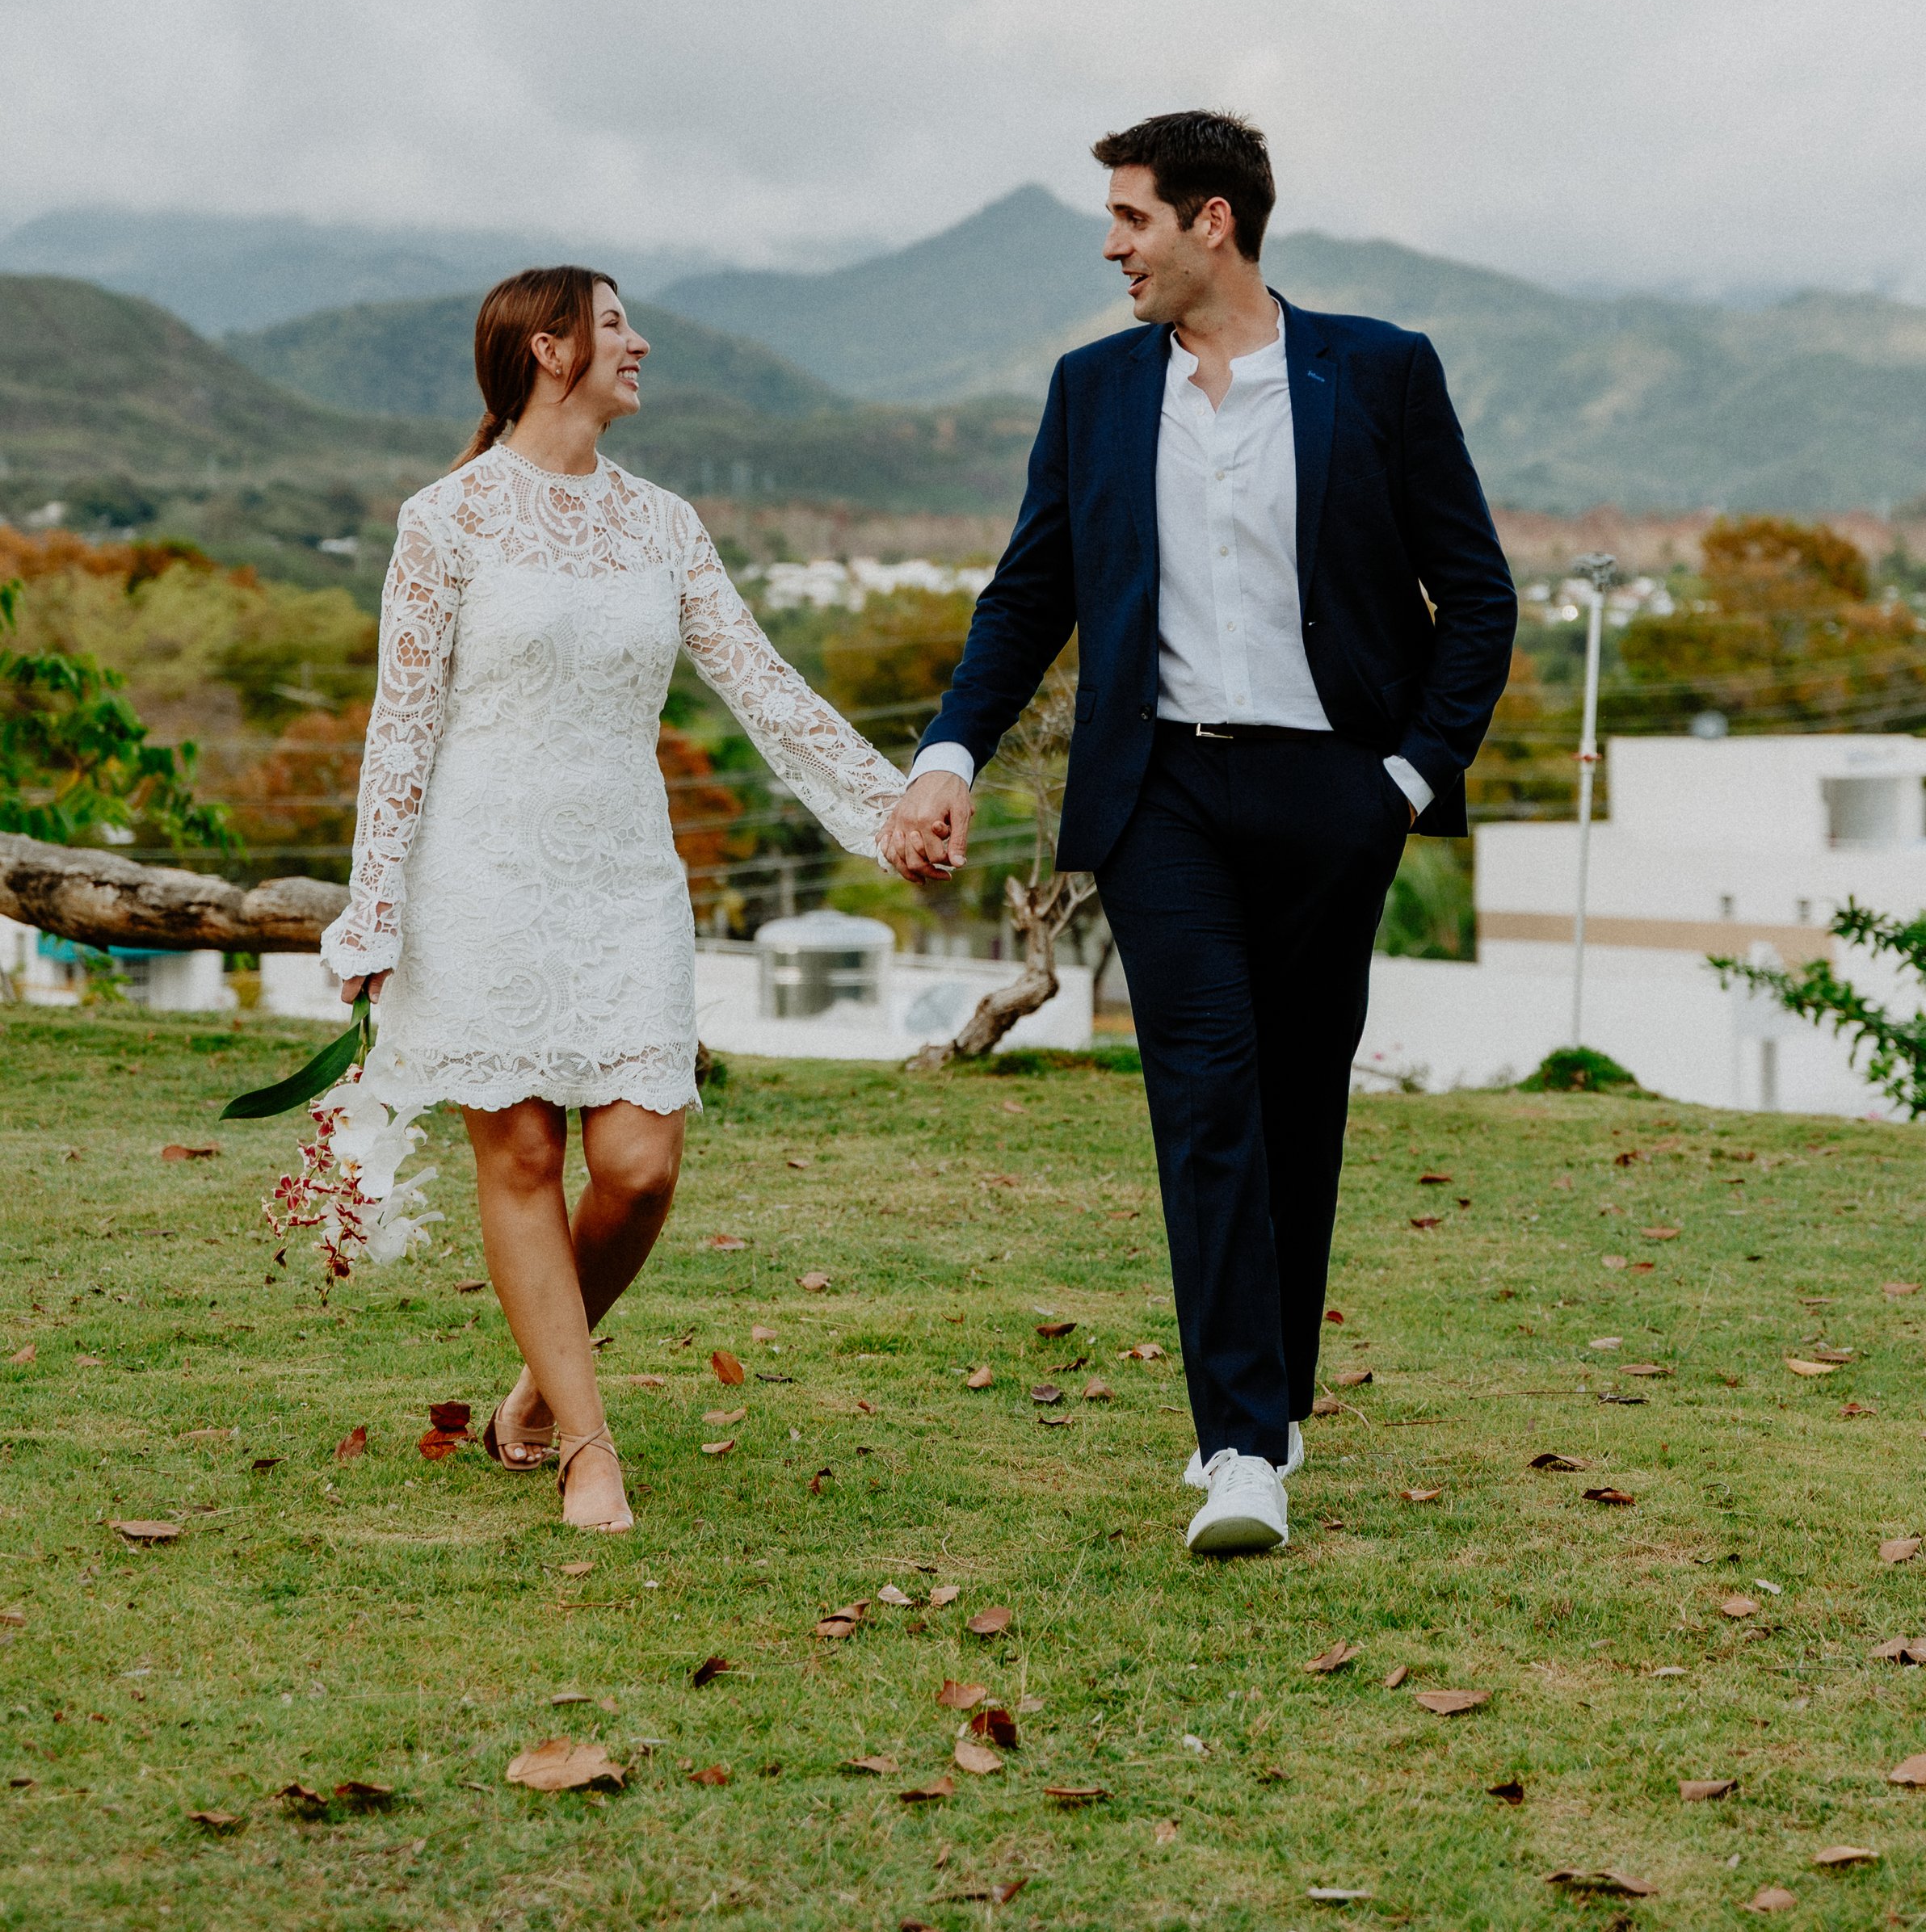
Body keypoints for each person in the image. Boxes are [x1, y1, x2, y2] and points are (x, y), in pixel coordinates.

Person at [882, 113, 1516, 1557]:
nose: (1114, 247)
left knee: (1297, 1105)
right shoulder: (1095, 391)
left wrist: (1407, 781)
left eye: (1130, 219)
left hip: (1335, 795)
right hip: (1159, 797)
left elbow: (1475, 598)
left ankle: (1272, 1394)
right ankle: (1241, 1444)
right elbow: (1029, 592)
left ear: (1211, 222)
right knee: (1207, 1094)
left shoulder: (1382, 371)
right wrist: (947, 754)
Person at [324, 267, 904, 1533]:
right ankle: (588, 1446)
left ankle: (538, 1380)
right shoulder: (447, 521)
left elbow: (762, 683)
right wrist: (373, 909)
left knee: (637, 1167)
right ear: (550, 349)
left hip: (624, 881)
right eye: (616, 322)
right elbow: (400, 731)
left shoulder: (665, 526)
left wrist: (888, 805)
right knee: (525, 1152)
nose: (640, 342)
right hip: (479, 876)